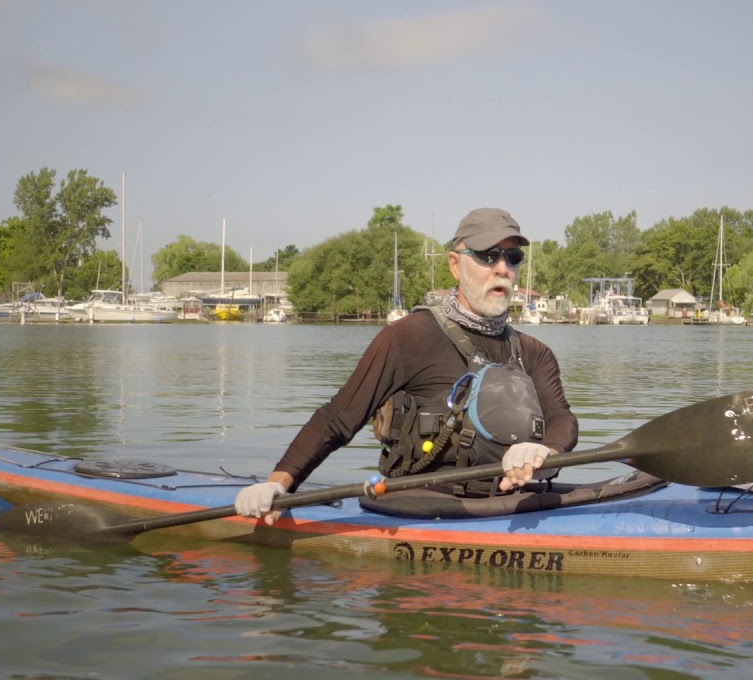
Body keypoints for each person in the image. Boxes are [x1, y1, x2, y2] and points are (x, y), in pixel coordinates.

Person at [235, 208, 579, 526]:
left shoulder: (535, 352)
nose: (503, 268)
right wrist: (278, 483)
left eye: (513, 257)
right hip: (422, 506)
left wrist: (546, 451)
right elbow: (337, 419)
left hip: (509, 503)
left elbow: (562, 419)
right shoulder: (409, 337)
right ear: (455, 265)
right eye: (489, 256)